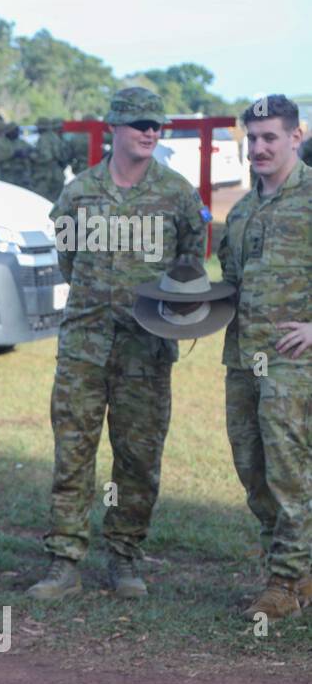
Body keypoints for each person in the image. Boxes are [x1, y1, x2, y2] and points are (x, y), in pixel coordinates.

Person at [29, 87, 208, 601]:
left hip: (146, 352)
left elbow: (190, 266)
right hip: (84, 346)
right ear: (115, 128)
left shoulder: (176, 194)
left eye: (156, 125)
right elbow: (68, 260)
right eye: (139, 124)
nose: (151, 132)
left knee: (138, 458)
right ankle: (64, 561)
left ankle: (126, 558)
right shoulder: (79, 193)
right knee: (73, 454)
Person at [217, 95, 312, 621]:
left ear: (296, 137)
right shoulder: (243, 211)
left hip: (293, 367)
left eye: (269, 137)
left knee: (291, 474)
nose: (258, 147)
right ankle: (299, 570)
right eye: (251, 138)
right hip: (242, 362)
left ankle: (281, 585)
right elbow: (232, 283)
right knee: (252, 472)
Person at [31, 118, 68, 201]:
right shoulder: (56, 137)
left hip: (46, 175)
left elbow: (46, 157)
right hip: (58, 173)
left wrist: (32, 156)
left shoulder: (44, 138)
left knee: (41, 199)